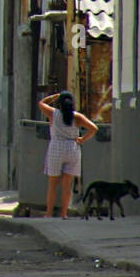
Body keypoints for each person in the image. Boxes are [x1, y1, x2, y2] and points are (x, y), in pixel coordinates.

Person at [39, 90, 97, 218]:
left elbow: (41, 103)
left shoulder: (53, 114)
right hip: (72, 148)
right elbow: (94, 128)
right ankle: (64, 213)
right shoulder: (77, 117)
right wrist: (83, 139)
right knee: (67, 185)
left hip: (56, 147)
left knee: (53, 184)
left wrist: (54, 96)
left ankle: (49, 213)